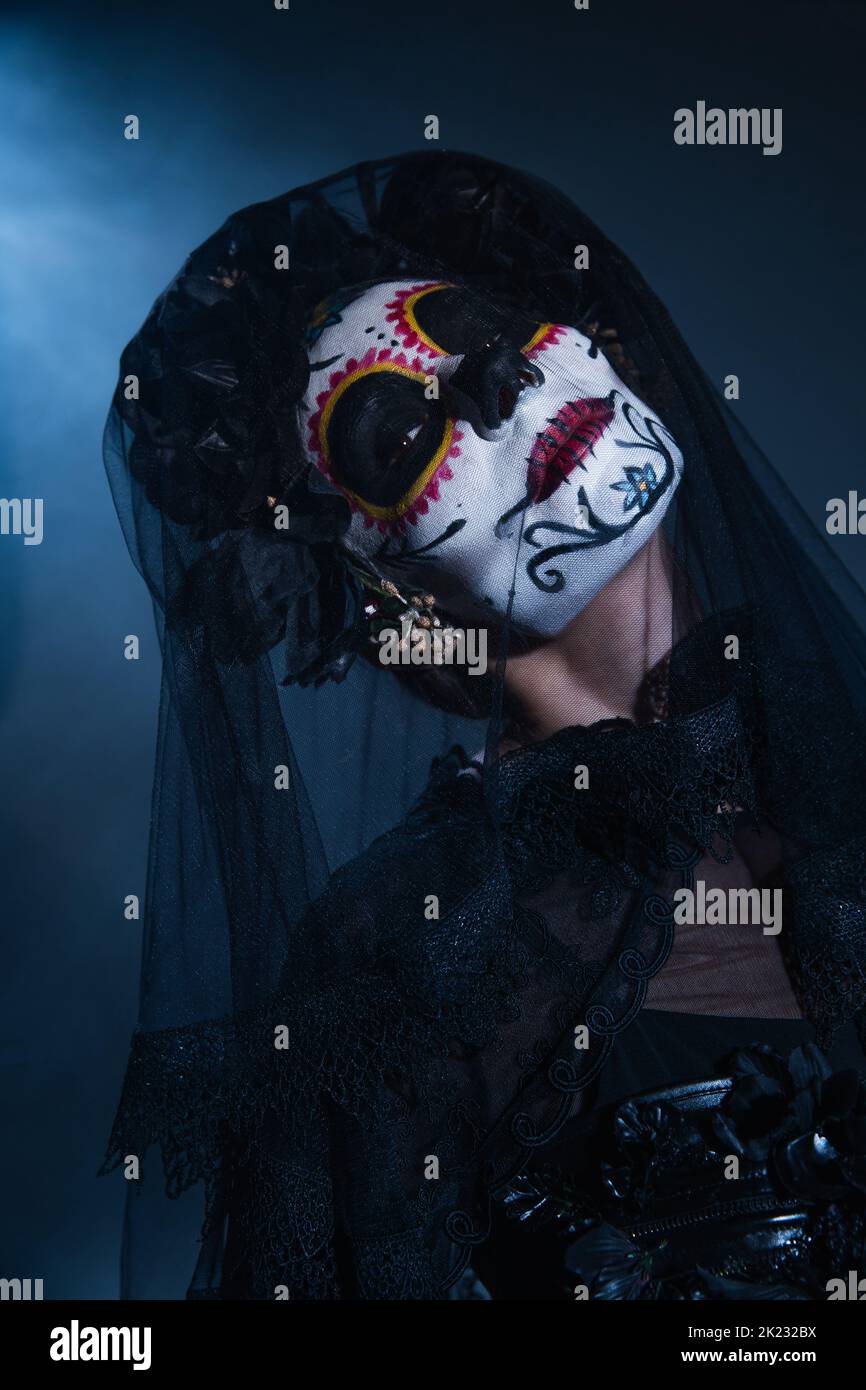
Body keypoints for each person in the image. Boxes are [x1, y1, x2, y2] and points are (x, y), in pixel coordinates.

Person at [100, 150, 866, 1300]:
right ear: (374, 582)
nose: (494, 385)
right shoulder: (400, 966)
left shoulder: (827, 775)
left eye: (482, 323)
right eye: (394, 433)